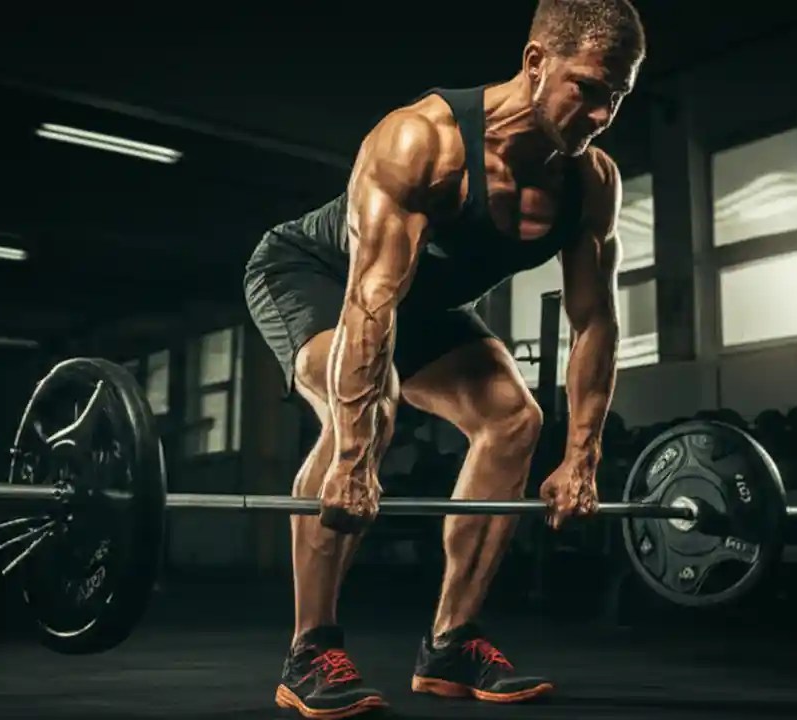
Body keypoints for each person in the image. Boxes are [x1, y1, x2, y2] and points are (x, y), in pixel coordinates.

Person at [244, 1, 644, 716]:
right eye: (586, 88)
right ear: (535, 63)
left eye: (617, 96)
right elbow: (371, 299)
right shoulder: (422, 141)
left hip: (423, 302)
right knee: (367, 410)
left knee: (515, 420)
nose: (600, 114)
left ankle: (452, 641)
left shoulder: (591, 182)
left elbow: (594, 323)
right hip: (319, 278)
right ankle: (310, 650)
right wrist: (352, 460)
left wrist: (582, 456)